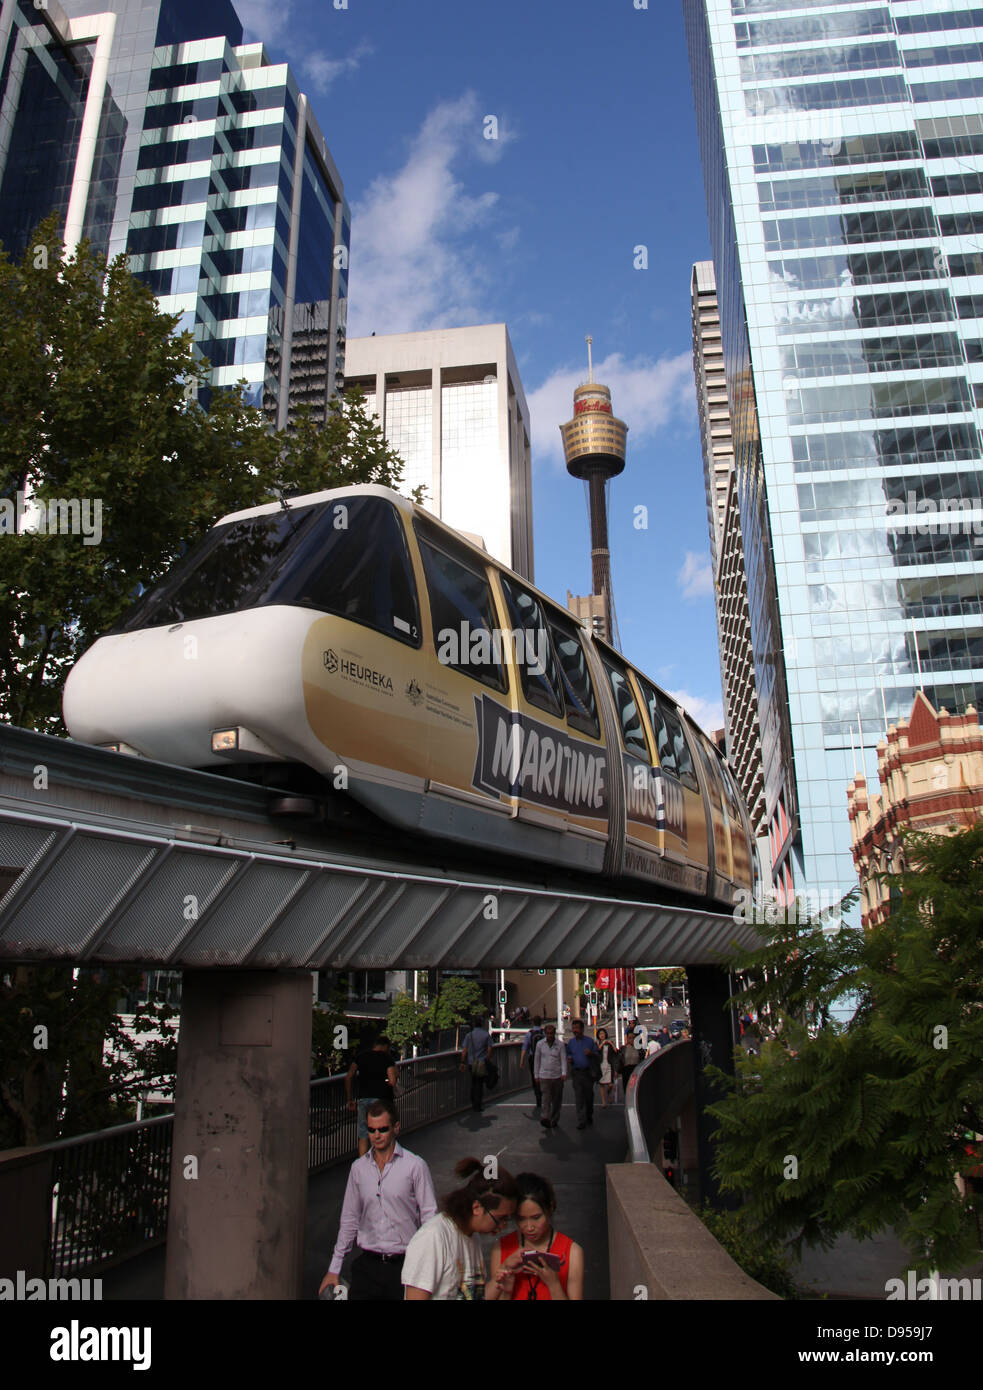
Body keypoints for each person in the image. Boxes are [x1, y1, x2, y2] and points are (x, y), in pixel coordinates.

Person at [318, 1100, 436, 1300]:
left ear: (396, 1128)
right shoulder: (358, 1169)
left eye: (383, 1128)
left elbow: (430, 1219)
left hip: (404, 1267)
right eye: (371, 1130)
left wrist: (429, 1268)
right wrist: (334, 1268)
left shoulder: (415, 1166)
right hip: (367, 1266)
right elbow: (349, 1219)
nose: (377, 1135)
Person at [401, 1157, 518, 1300]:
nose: (503, 1225)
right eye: (500, 1218)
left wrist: (503, 1275)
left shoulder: (472, 1237)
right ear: (477, 1208)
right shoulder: (432, 1237)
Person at [486, 1171, 584, 1301]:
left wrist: (554, 1285)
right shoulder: (501, 1248)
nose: (529, 1227)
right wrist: (507, 1289)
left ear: (550, 1208)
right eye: (520, 1219)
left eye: (536, 1218)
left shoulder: (572, 1251)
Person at [346, 1033, 398, 1157]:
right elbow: (392, 1081)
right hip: (382, 1099)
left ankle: (362, 1164)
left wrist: (349, 1098)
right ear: (386, 1046)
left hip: (363, 1098)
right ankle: (380, 1161)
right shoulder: (387, 1058)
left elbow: (349, 1076)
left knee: (363, 1133)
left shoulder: (361, 1056)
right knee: (381, 1132)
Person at [565, 1017, 600, 1129]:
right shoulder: (571, 1043)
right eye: (573, 1028)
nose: (575, 1030)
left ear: (582, 1029)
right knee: (579, 1096)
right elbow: (568, 1053)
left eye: (577, 1028)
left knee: (589, 1096)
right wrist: (569, 1058)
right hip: (576, 1073)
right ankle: (581, 1120)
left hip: (587, 1073)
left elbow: (597, 1055)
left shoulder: (589, 1041)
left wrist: (591, 1053)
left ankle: (589, 1114)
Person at [534, 1022, 567, 1129]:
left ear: (554, 1033)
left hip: (557, 1076)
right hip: (544, 1075)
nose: (550, 1035)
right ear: (545, 1034)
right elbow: (537, 1060)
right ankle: (545, 1117)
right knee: (546, 1098)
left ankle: (554, 1119)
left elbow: (563, 1059)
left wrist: (564, 1073)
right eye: (548, 1033)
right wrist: (536, 1074)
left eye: (551, 1033)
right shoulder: (540, 1044)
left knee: (557, 1099)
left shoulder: (560, 1045)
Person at [460, 1016, 492, 1112]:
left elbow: (464, 1050)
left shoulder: (469, 1035)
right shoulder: (486, 1035)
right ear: (481, 1024)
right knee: (479, 1084)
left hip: (471, 1063)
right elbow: (490, 1048)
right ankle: (478, 1104)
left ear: (474, 1025)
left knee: (473, 1083)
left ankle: (473, 1102)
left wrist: (462, 1062)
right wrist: (487, 1059)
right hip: (481, 1063)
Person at [522, 1015, 545, 1108]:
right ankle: (543, 1092)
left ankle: (537, 1095)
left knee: (534, 1076)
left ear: (533, 1022)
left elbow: (524, 1047)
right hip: (543, 1058)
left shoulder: (529, 1034)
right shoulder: (543, 1033)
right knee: (543, 1076)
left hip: (532, 1057)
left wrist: (521, 1060)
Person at [595, 1028, 619, 1108]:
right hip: (601, 1065)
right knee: (602, 1084)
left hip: (609, 1065)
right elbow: (597, 1050)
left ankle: (608, 1094)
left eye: (603, 1033)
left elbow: (616, 1051)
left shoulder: (609, 1043)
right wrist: (602, 1044)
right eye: (600, 1034)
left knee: (610, 1084)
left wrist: (611, 1044)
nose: (602, 1035)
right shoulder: (597, 1043)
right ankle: (603, 1102)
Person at [620, 1029, 642, 1094]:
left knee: (635, 1090)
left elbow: (642, 1060)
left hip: (635, 1071)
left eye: (633, 1038)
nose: (631, 1039)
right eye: (630, 1038)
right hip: (626, 1071)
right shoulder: (623, 1048)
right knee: (627, 1090)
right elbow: (620, 1060)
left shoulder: (639, 1049)